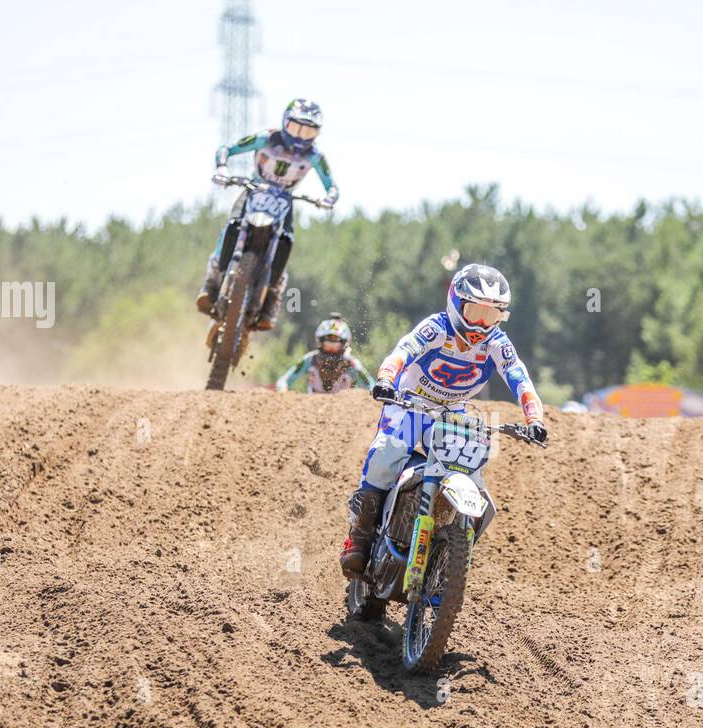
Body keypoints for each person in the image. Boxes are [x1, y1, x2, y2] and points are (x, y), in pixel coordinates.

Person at [338, 263, 548, 578]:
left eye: (491, 316)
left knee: (472, 479)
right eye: (475, 311)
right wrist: (385, 379)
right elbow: (403, 351)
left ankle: (450, 556)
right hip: (409, 404)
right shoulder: (436, 328)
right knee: (386, 455)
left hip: (452, 413)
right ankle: (360, 536)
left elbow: (519, 378)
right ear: (455, 302)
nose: (481, 324)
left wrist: (534, 418)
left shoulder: (497, 344)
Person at [195, 98, 339, 330]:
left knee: (286, 242)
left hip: (284, 202)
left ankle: (271, 300)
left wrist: (329, 198)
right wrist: (222, 167)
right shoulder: (265, 138)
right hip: (253, 192)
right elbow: (228, 149)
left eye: (308, 131)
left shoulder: (315, 156)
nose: (301, 136)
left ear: (316, 134)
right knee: (232, 226)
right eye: (296, 128)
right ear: (285, 122)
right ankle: (211, 283)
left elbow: (331, 184)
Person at [275, 315, 375, 394]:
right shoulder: (311, 359)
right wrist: (282, 390)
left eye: (335, 344)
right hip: (312, 408)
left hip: (344, 410)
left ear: (344, 343)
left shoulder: (351, 363)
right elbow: (284, 380)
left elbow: (370, 384)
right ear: (320, 341)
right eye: (327, 343)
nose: (331, 348)